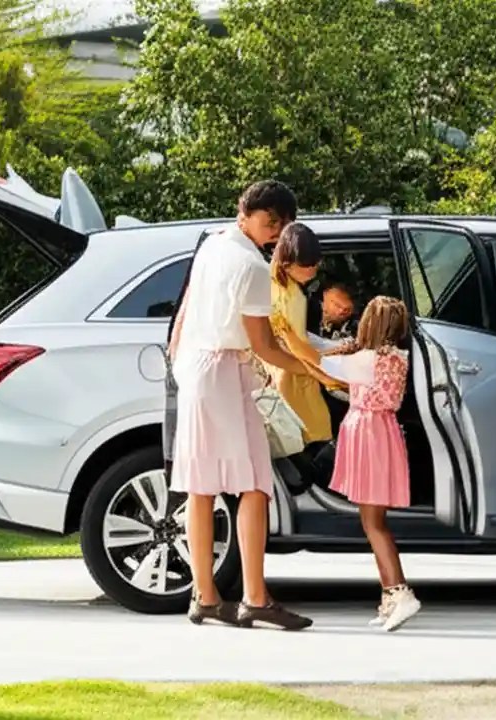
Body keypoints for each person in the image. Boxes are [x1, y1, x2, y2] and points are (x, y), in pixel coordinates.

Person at [166, 180, 315, 629]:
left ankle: (205, 597)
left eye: (280, 224)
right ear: (246, 213)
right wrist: (318, 372)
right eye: (271, 223)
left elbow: (186, 315)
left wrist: (179, 365)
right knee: (254, 483)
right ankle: (254, 597)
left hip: (195, 368)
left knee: (201, 486)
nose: (274, 232)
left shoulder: (211, 246)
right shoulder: (252, 267)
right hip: (226, 371)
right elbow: (265, 346)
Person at [325, 296, 421, 631]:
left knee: (373, 524)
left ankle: (399, 592)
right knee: (374, 520)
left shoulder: (364, 360)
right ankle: (389, 597)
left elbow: (318, 363)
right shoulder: (397, 358)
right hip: (385, 434)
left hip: (367, 434)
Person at [265, 223, 335, 450]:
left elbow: (300, 336)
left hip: (302, 371)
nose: (314, 270)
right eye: (308, 265)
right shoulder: (275, 292)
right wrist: (328, 372)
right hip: (289, 375)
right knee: (307, 442)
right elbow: (291, 342)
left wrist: (330, 349)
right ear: (288, 263)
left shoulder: (292, 288)